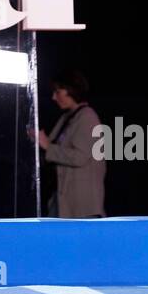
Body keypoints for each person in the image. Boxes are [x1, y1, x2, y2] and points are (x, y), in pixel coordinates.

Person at [38, 73, 105, 218]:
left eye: (57, 92)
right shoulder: (68, 117)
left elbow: (81, 157)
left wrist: (47, 147)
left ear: (70, 91)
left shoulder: (87, 117)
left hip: (83, 210)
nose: (53, 98)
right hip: (65, 205)